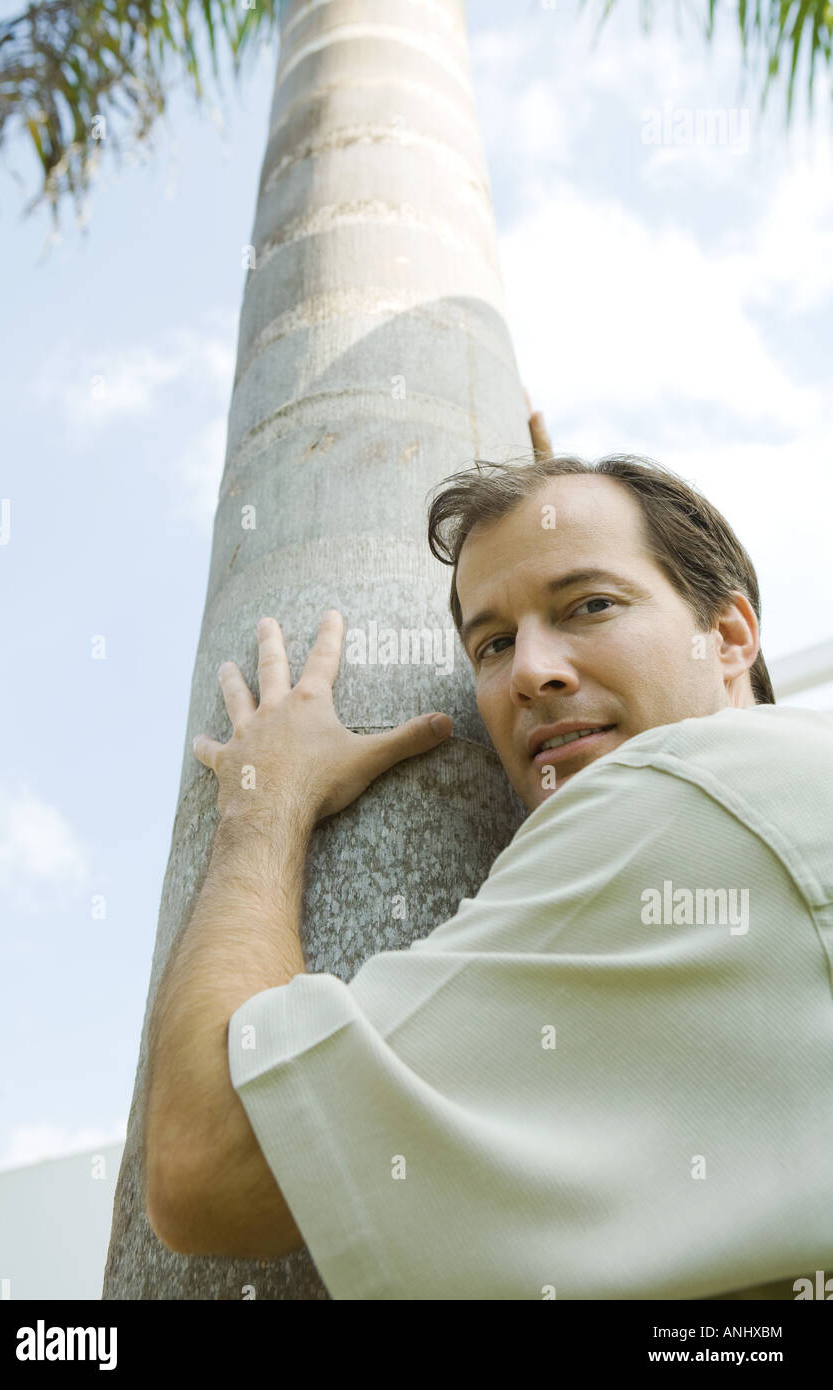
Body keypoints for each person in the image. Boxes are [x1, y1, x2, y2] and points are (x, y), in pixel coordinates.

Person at [144, 401, 833, 1300]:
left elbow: (209, 1161)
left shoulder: (684, 788)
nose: (529, 674)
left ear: (731, 634)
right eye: (493, 642)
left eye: (590, 605)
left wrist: (262, 806)